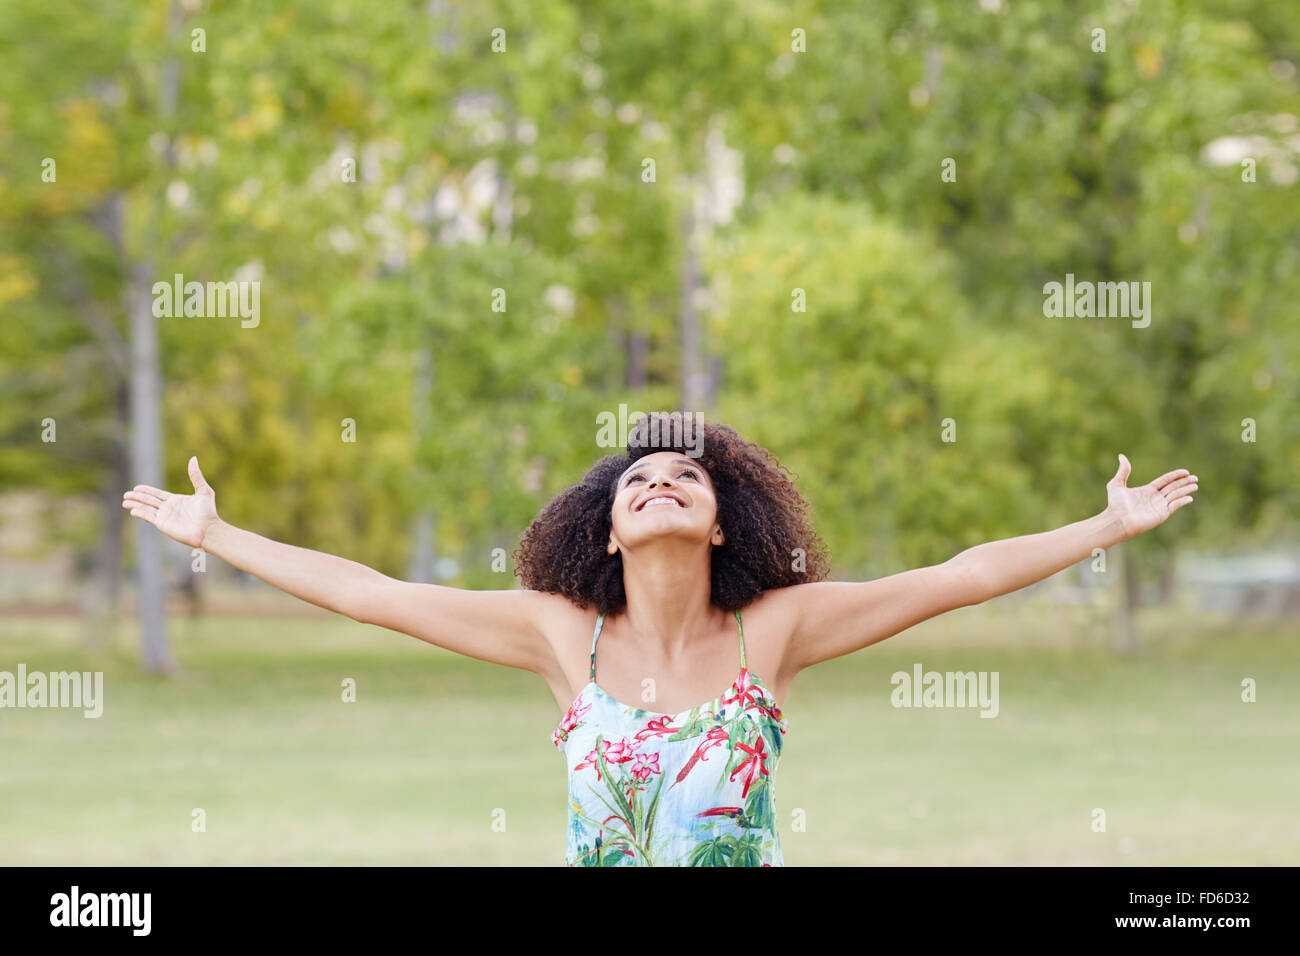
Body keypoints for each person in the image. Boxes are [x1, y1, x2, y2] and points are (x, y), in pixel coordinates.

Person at [122, 413, 1197, 866]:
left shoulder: (774, 631)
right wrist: (218, 534)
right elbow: (371, 591)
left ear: (723, 518)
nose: (661, 481)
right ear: (610, 527)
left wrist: (1105, 524)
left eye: (686, 474)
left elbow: (958, 576)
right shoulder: (561, 638)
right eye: (638, 479)